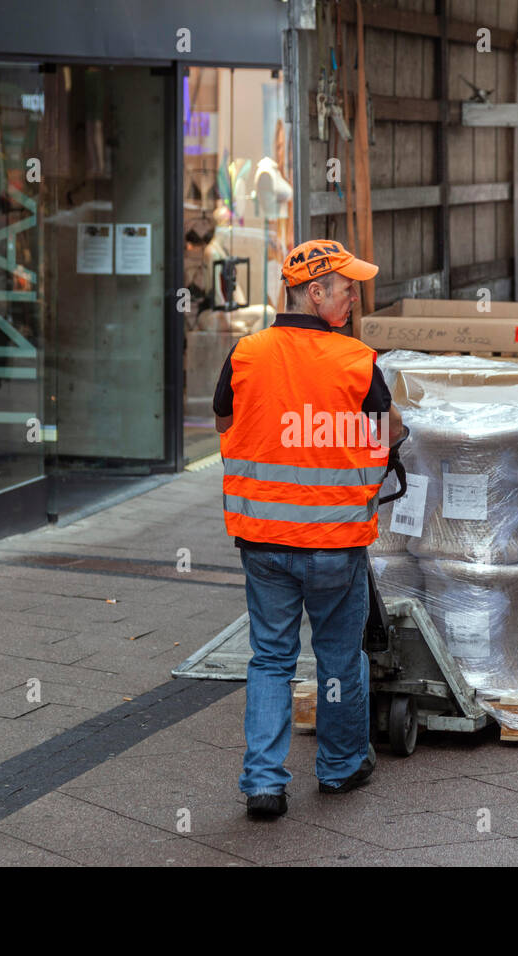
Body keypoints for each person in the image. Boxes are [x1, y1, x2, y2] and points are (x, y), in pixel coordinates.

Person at [214, 238, 404, 820]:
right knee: (339, 657)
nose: (351, 297)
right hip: (334, 546)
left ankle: (264, 784)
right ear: (314, 291)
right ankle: (341, 768)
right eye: (346, 288)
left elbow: (225, 418)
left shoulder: (245, 354)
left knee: (270, 659)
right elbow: (390, 433)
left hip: (263, 542)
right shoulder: (356, 362)